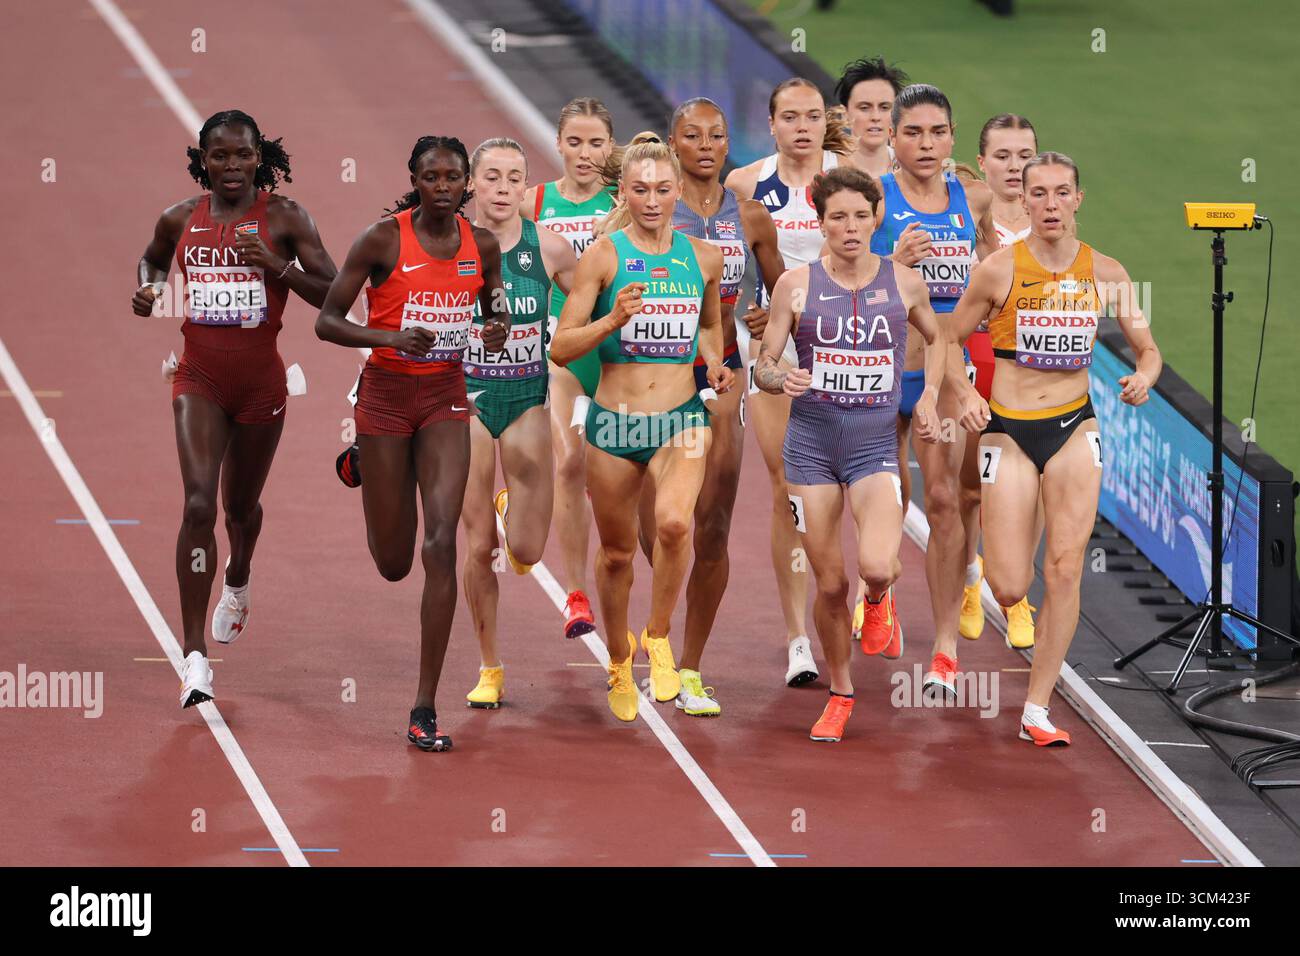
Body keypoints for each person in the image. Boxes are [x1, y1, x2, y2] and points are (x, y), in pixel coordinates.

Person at [946, 152, 1161, 745]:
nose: (1048, 205)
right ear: (1026, 199)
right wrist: (963, 389)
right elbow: (946, 339)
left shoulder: (1108, 272)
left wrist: (1145, 376)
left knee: (1065, 569)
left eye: (1060, 193)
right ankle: (993, 561)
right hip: (1009, 432)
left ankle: (1037, 707)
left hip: (1075, 429)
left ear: (1077, 199)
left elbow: (1148, 348)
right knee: (1012, 586)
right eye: (1036, 194)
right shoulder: (996, 270)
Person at [131, 109, 337, 708]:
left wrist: (277, 266)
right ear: (203, 160)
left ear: (258, 157)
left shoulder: (285, 217)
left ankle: (239, 576)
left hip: (260, 384)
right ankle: (194, 658)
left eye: (241, 155)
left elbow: (335, 291)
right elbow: (151, 260)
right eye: (218, 156)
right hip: (197, 376)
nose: (230, 166)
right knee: (198, 502)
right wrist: (148, 289)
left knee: (238, 507)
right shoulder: (180, 218)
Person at [315, 136, 509, 751]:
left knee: (442, 543)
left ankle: (423, 706)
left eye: (454, 177)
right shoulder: (382, 240)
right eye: (433, 177)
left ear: (466, 185)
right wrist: (392, 337)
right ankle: (367, 466)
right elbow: (327, 321)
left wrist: (497, 326)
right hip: (385, 400)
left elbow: (494, 301)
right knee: (394, 563)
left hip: (447, 400)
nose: (445, 187)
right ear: (416, 181)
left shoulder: (485, 245)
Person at [756, 167, 943, 742]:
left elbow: (939, 340)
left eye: (861, 216)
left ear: (876, 217)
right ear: (820, 222)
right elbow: (764, 361)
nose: (850, 227)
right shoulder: (795, 284)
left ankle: (882, 598)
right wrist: (779, 377)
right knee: (830, 583)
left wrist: (931, 395)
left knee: (877, 565)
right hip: (809, 447)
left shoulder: (904, 281)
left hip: (872, 445)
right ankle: (840, 691)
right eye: (837, 216)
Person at [550, 133, 731, 722]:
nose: (652, 200)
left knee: (677, 524)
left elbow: (710, 329)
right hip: (617, 422)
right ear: (623, 192)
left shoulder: (705, 257)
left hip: (681, 418)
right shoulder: (604, 255)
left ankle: (658, 636)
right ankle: (620, 659)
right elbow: (561, 346)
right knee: (619, 554)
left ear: (679, 190)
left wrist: (719, 367)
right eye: (640, 190)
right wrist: (613, 319)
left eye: (662, 189)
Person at [631, 98, 784, 716]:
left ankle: (688, 665)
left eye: (716, 135)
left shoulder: (749, 216)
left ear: (728, 144)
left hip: (720, 376)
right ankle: (655, 629)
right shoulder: (642, 212)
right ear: (671, 142)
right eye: (691, 135)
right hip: (648, 379)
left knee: (711, 527)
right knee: (657, 532)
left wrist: (767, 316)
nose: (705, 145)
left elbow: (785, 294)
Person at [863, 83, 998, 699]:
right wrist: (891, 257)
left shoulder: (973, 197)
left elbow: (994, 263)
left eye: (937, 132)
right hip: (877, 364)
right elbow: (845, 279)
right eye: (912, 131)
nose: (925, 143)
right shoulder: (873, 198)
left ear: (951, 137)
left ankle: (944, 646)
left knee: (944, 500)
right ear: (891, 136)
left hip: (944, 369)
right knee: (888, 499)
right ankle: (878, 589)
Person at [725, 78, 853, 687]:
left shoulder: (852, 177)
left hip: (850, 349)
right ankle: (799, 637)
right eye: (788, 117)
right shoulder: (744, 186)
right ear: (771, 123)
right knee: (786, 487)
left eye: (811, 117)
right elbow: (724, 267)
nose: (801, 127)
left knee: (857, 479)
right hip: (774, 349)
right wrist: (743, 313)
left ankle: (859, 588)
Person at [461, 137, 577, 709]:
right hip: (466, 402)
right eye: (492, 178)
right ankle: (489, 666)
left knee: (527, 551)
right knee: (478, 545)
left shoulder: (549, 248)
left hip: (528, 397)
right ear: (471, 185)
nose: (503, 189)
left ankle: (515, 513)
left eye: (514, 178)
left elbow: (590, 309)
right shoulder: (448, 247)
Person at [522, 98, 618, 641]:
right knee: (570, 462)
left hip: (618, 354)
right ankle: (576, 595)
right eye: (575, 142)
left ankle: (618, 582)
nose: (585, 153)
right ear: (558, 143)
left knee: (614, 480)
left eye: (596, 143)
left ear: (611, 146)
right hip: (560, 352)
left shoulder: (626, 202)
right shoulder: (534, 202)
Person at [955, 113, 1042, 649]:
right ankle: (969, 579)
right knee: (969, 488)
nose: (1015, 167)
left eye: (1024, 155)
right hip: (974, 358)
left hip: (1030, 368)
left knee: (1029, 488)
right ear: (982, 161)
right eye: (1004, 156)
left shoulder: (1050, 218)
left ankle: (1018, 595)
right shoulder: (961, 213)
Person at [834, 56, 909, 179]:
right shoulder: (823, 169)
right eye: (864, 108)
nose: (875, 117)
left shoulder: (913, 170)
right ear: (844, 114)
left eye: (884, 107)